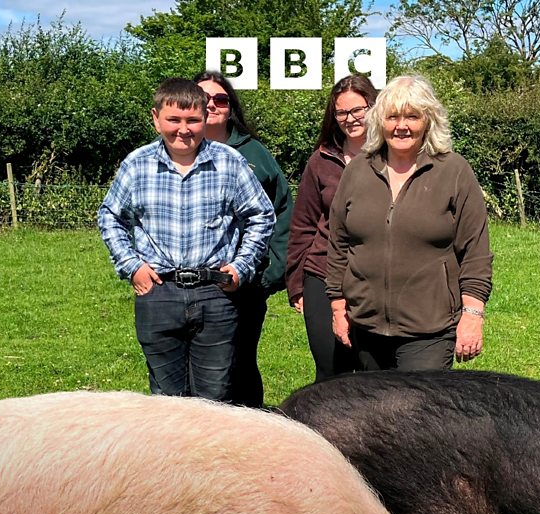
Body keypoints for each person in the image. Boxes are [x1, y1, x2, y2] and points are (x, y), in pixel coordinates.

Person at [97, 78, 275, 400]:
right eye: (173, 120)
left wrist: (241, 266)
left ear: (204, 119)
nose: (184, 129)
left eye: (193, 120)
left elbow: (261, 215)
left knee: (217, 397)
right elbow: (110, 215)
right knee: (167, 398)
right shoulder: (137, 165)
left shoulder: (229, 162)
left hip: (216, 295)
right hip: (159, 291)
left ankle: (210, 452)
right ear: (156, 118)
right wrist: (131, 265)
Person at [325, 75, 492, 371]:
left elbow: (476, 252)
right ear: (380, 121)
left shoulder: (453, 170)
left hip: (430, 329)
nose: (401, 126)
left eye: (412, 116)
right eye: (392, 116)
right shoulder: (359, 170)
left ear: (428, 120)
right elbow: (338, 244)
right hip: (365, 326)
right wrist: (338, 306)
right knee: (374, 414)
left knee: (416, 415)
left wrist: (472, 315)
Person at [193, 70, 293, 407]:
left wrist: (269, 274)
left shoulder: (255, 154)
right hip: (185, 285)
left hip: (243, 284)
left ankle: (249, 437)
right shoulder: (175, 151)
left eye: (220, 100)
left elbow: (282, 212)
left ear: (230, 106)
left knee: (239, 364)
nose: (211, 106)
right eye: (203, 99)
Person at [285, 74, 377, 381]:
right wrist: (297, 283)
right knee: (330, 370)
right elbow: (303, 225)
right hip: (322, 275)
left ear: (373, 106)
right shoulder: (321, 160)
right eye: (341, 112)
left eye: (357, 110)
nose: (350, 119)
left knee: (372, 371)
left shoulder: (392, 157)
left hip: (375, 277)